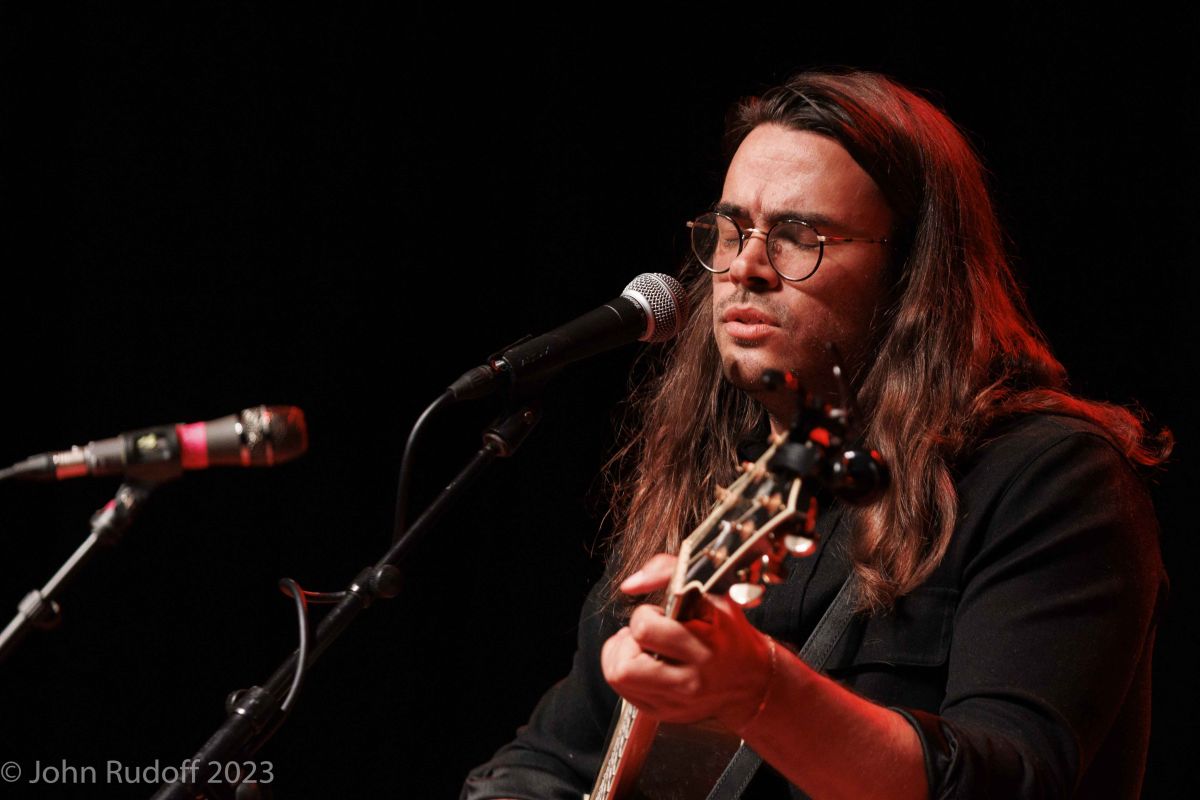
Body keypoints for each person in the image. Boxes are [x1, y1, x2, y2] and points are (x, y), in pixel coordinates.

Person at [460, 69, 1170, 800]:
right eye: (732, 231)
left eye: (799, 236)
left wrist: (763, 691)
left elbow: (1013, 780)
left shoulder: (1047, 481)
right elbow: (543, 763)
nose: (745, 268)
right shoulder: (699, 490)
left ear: (911, 273)